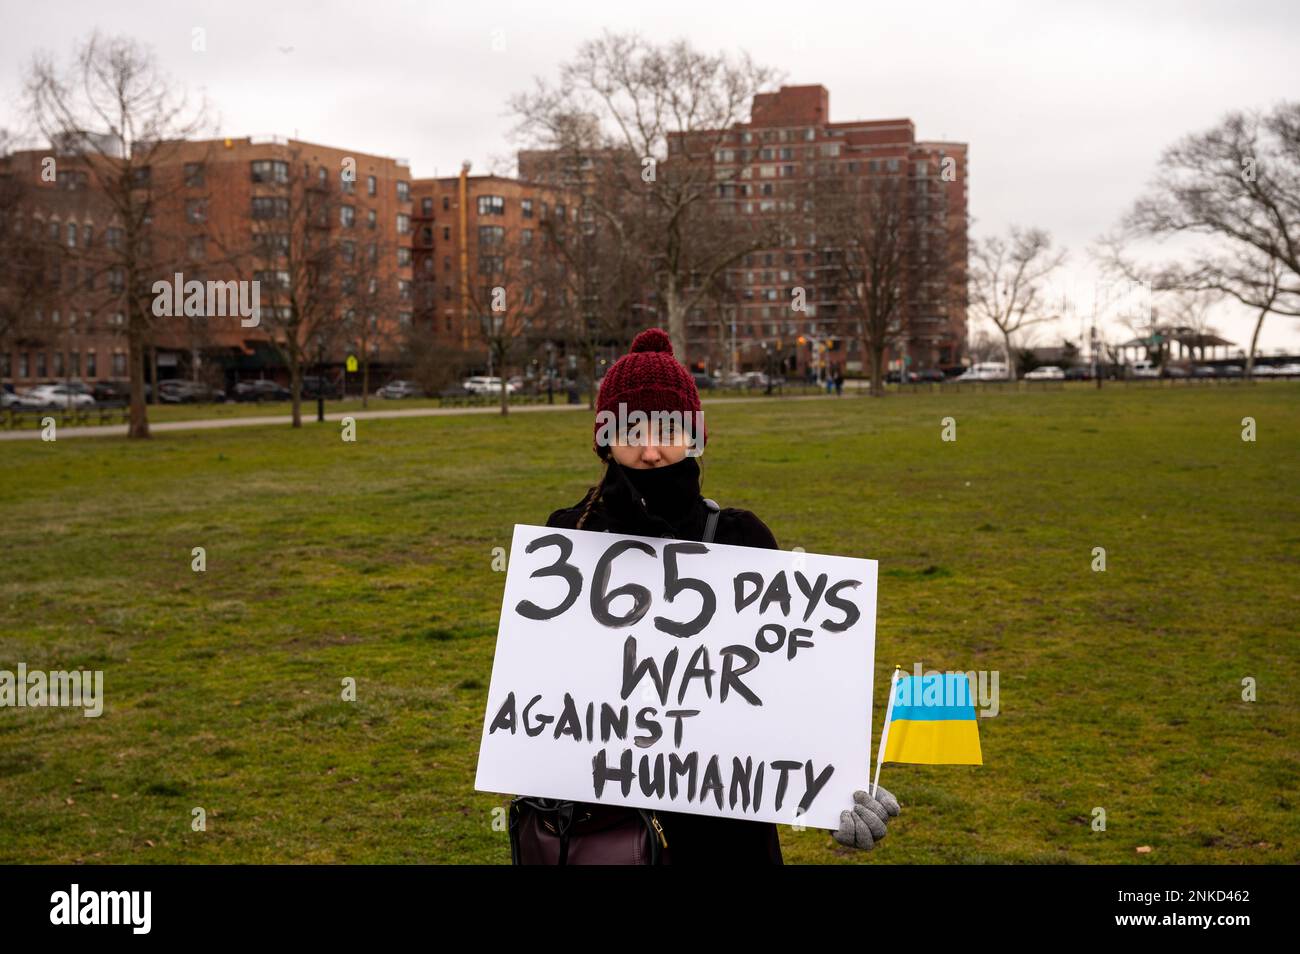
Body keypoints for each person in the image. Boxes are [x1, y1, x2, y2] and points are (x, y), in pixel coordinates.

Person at [526, 327, 901, 864]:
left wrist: (839, 789)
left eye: (666, 427)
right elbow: (543, 693)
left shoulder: (742, 539)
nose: (650, 449)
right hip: (602, 836)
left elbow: (795, 682)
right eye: (632, 430)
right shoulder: (566, 540)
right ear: (605, 437)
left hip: (728, 837)